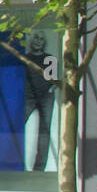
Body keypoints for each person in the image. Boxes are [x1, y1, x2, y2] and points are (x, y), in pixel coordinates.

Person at [23, 31, 56, 171]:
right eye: (36, 37)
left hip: (45, 97)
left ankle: (39, 167)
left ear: (44, 43)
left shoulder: (50, 59)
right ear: (32, 40)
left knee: (44, 130)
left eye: (41, 39)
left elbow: (54, 80)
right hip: (28, 96)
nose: (38, 41)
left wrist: (49, 90)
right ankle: (12, 162)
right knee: (17, 126)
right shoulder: (25, 58)